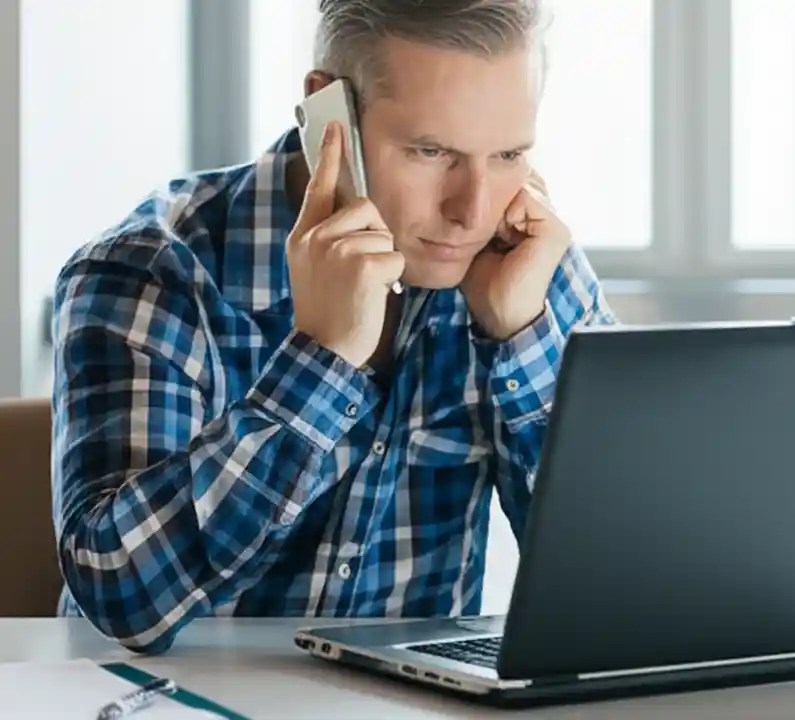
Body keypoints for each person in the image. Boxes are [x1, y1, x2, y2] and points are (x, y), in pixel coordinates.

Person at [51, 0, 612, 654]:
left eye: (510, 153)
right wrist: (323, 360)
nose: (473, 211)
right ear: (328, 119)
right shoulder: (152, 268)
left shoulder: (529, 268)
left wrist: (521, 338)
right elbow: (120, 597)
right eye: (431, 151)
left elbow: (624, 578)